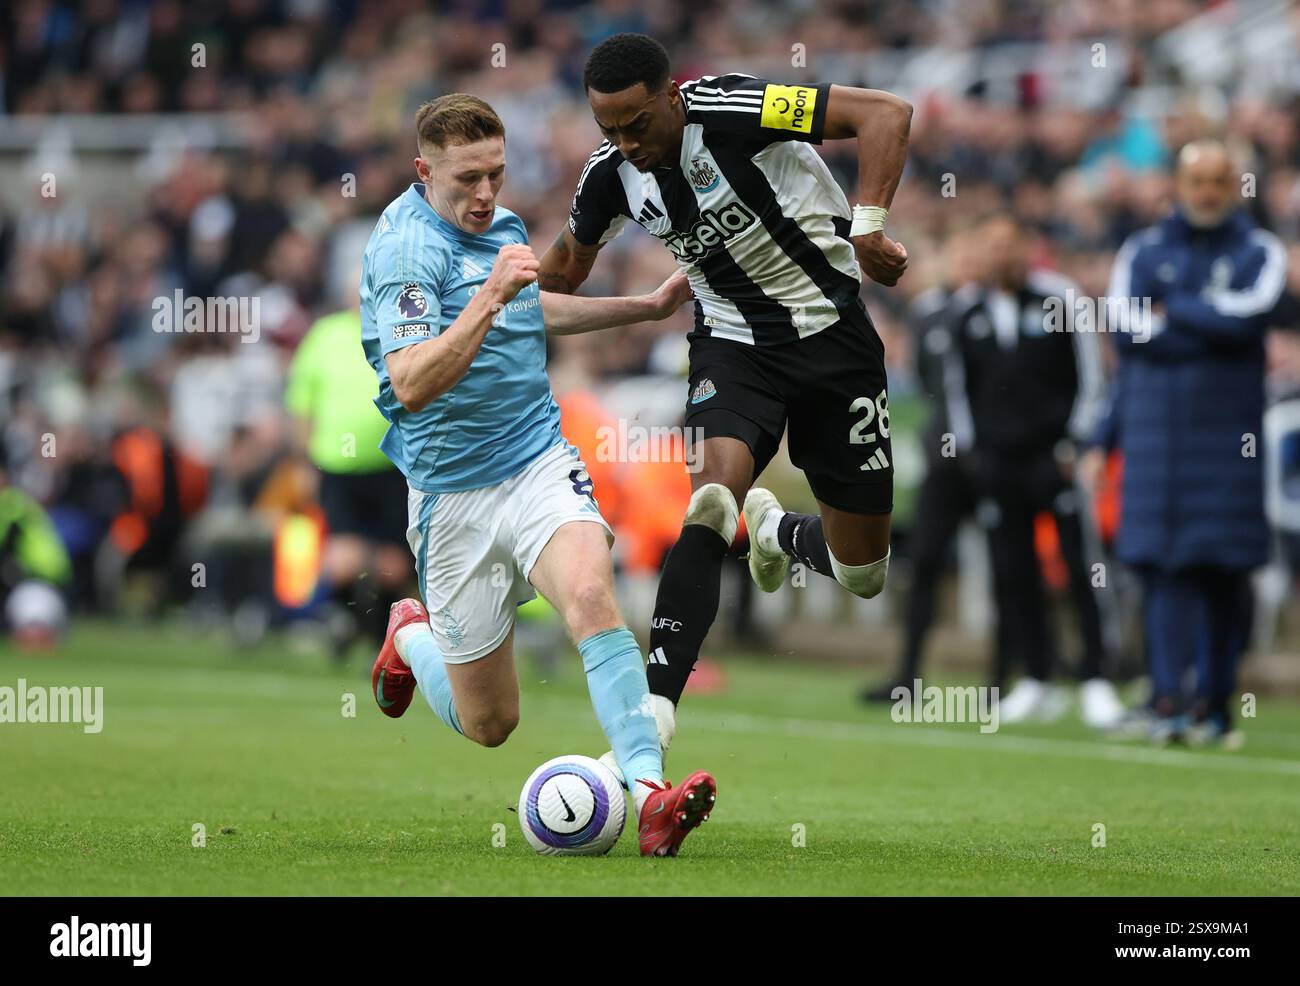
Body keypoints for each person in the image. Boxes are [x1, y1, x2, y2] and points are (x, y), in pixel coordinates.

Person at [539, 32, 911, 757]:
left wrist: (869, 227)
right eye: (607, 129)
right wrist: (491, 292)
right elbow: (564, 270)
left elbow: (885, 113)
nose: (626, 143)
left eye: (637, 124)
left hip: (835, 343)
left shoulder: (733, 107)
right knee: (711, 497)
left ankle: (776, 533)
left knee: (863, 572)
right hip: (732, 347)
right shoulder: (610, 176)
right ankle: (656, 706)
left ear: (671, 97)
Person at [362, 92, 714, 857]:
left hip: (535, 463)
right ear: (424, 173)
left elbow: (531, 311)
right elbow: (415, 380)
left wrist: (642, 309)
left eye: (496, 174)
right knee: (490, 724)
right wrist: (488, 295)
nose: (486, 195)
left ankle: (652, 796)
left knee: (592, 595)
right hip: (451, 497)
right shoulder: (404, 255)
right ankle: (411, 634)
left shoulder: (502, 228)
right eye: (466, 180)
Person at [1083, 139, 1287, 745]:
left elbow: (1246, 320)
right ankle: (1167, 698)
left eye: (1218, 182)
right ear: (1176, 185)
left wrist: (1175, 313)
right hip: (1153, 443)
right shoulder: (1141, 250)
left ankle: (1216, 705)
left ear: (1234, 188)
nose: (1206, 192)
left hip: (1228, 444)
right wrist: (1104, 436)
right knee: (1159, 568)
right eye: (1196, 181)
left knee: (1225, 570)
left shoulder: (1259, 250)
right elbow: (1128, 330)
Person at [951, 215, 1125, 727]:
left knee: (1079, 566)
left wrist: (1076, 440)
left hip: (1055, 458)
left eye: (1010, 245)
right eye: (992, 247)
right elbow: (961, 391)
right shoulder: (968, 312)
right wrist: (972, 451)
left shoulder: (1060, 299)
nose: (1002, 256)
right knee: (1013, 571)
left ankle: (1096, 677)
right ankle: (1038, 676)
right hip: (1000, 462)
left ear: (1028, 249)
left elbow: (1092, 374)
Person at [285, 294, 414, 654]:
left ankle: (379, 645)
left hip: (392, 467)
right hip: (338, 470)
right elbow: (301, 403)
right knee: (343, 562)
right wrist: (302, 463)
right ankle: (348, 623)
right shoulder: (324, 335)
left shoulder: (399, 331)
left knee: (393, 565)